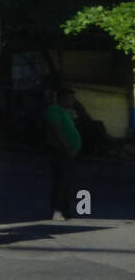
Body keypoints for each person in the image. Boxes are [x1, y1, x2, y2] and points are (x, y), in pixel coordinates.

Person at [42, 87, 81, 221]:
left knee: (66, 182)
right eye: (70, 98)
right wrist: (67, 148)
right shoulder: (54, 110)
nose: (73, 100)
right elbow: (56, 131)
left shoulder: (65, 112)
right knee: (60, 182)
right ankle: (57, 211)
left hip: (67, 152)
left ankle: (64, 209)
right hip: (59, 151)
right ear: (63, 98)